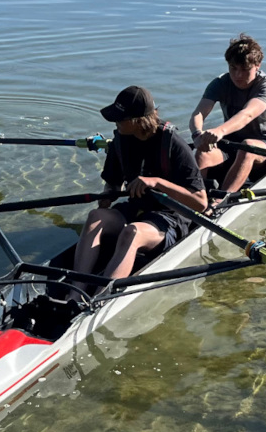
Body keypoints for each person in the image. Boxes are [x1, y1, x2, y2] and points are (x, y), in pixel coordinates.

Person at [71, 85, 207, 295]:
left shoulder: (174, 144)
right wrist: (107, 196)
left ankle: (99, 298)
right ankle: (76, 291)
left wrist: (158, 182)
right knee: (96, 217)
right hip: (136, 209)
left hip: (170, 217)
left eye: (120, 118)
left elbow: (201, 203)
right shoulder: (120, 140)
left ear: (137, 120)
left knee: (131, 232)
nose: (115, 122)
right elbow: (113, 184)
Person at [189, 34, 266, 202]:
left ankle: (219, 203)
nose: (238, 75)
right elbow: (199, 113)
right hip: (231, 142)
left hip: (265, 144)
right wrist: (197, 135)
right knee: (202, 151)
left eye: (245, 70)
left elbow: (247, 114)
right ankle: (196, 199)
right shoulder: (220, 82)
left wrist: (219, 131)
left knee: (247, 147)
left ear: (257, 65)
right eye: (233, 68)